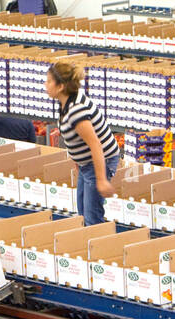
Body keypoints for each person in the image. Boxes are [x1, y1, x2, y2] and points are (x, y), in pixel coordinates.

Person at [45, 62, 121, 226]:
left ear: (61, 87)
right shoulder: (67, 100)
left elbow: (95, 144)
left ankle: (101, 249)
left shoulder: (76, 110)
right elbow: (79, 131)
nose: (46, 84)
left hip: (99, 162)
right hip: (87, 164)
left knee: (92, 217)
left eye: (49, 81)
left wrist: (101, 180)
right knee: (82, 212)